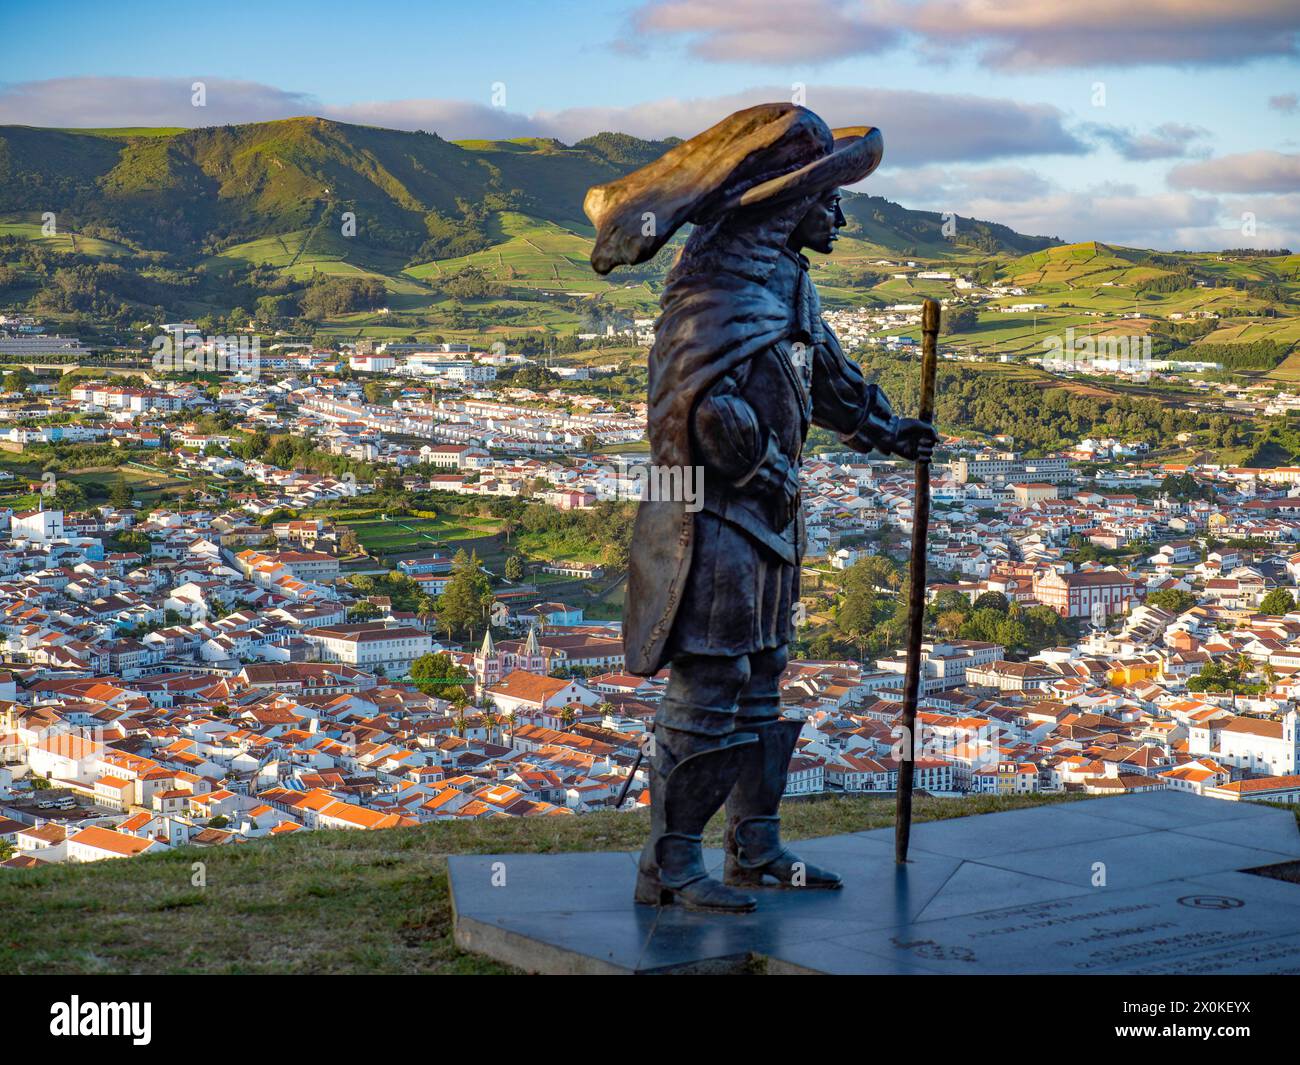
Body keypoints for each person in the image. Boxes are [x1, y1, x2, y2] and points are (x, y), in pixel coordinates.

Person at [586, 104, 938, 913]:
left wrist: (889, 429)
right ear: (789, 203)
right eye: (829, 198)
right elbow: (698, 407)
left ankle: (754, 842)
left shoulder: (785, 281)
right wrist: (766, 466)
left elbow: (825, 379)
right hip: (710, 521)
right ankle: (670, 862)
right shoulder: (716, 289)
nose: (839, 216)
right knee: (710, 683)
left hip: (770, 522)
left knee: (763, 677)